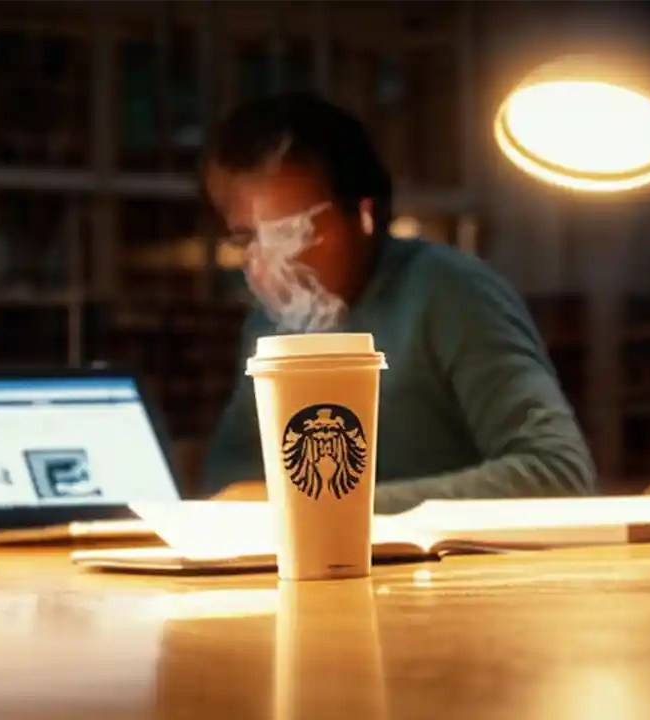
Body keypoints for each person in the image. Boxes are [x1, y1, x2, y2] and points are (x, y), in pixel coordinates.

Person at [199, 93, 595, 514]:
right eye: (248, 238)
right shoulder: (269, 325)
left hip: (455, 572)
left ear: (364, 216)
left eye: (292, 232)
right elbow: (230, 484)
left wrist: (325, 508)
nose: (270, 264)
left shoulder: (448, 292)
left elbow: (559, 476)